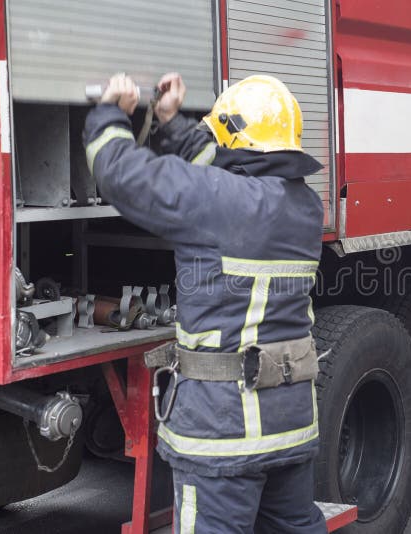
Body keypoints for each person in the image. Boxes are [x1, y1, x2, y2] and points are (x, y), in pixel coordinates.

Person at [84, 72, 326, 533]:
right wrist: (172, 122)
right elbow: (221, 168)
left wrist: (112, 113)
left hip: (223, 434)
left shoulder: (215, 200)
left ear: (235, 138)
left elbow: (122, 175)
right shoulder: (306, 207)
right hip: (289, 424)